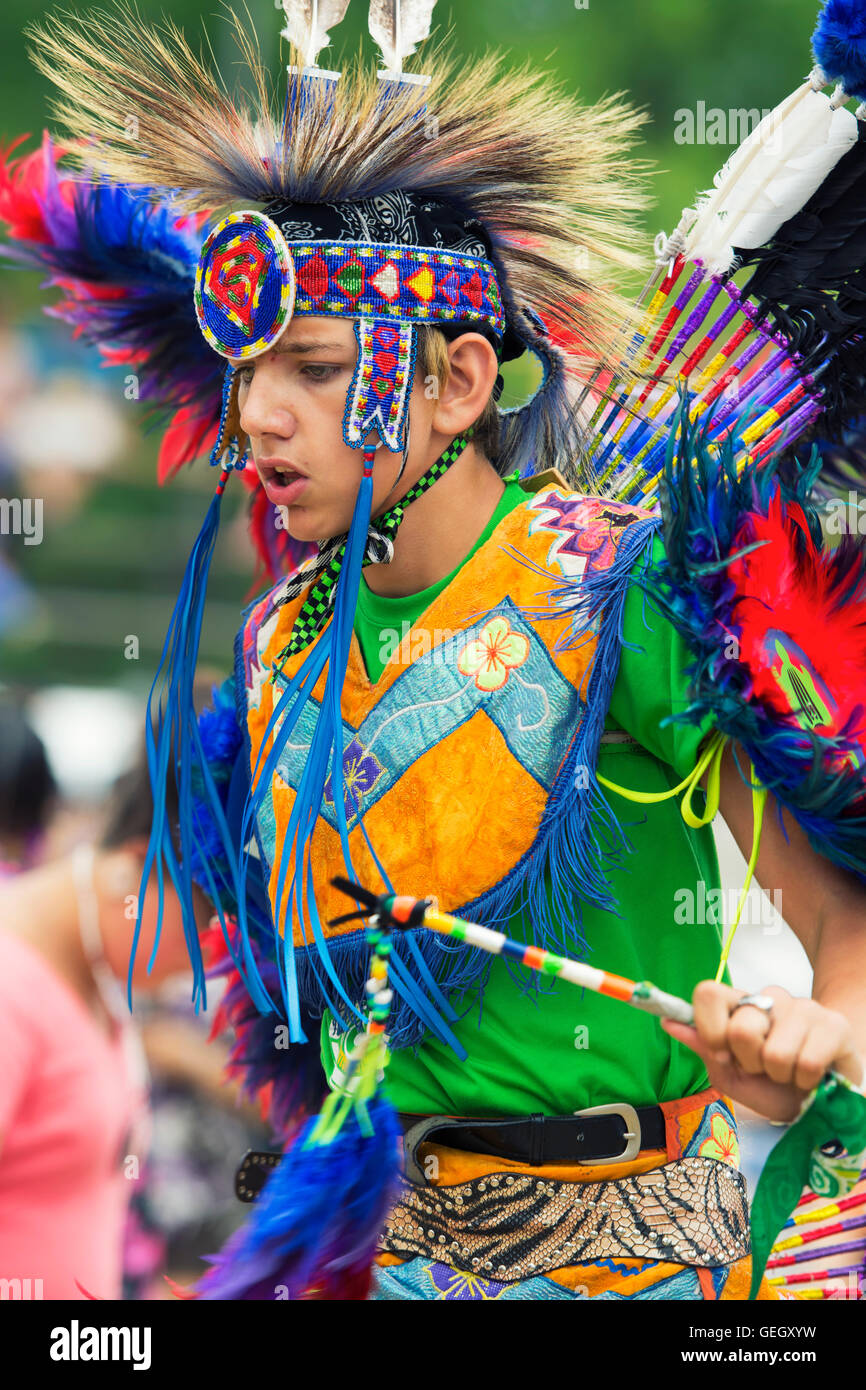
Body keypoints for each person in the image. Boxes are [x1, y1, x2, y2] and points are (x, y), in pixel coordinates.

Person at [4, 0, 866, 1302]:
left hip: (622, 1258)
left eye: (312, 367)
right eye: (247, 371)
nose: (258, 415)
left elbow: (842, 927)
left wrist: (811, 1033)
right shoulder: (280, 640)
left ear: (459, 383)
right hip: (375, 1246)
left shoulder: (616, 592)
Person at [0, 741, 210, 1300]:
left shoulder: (90, 971)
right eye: (204, 921)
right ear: (136, 869)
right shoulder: (11, 984)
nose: (210, 954)